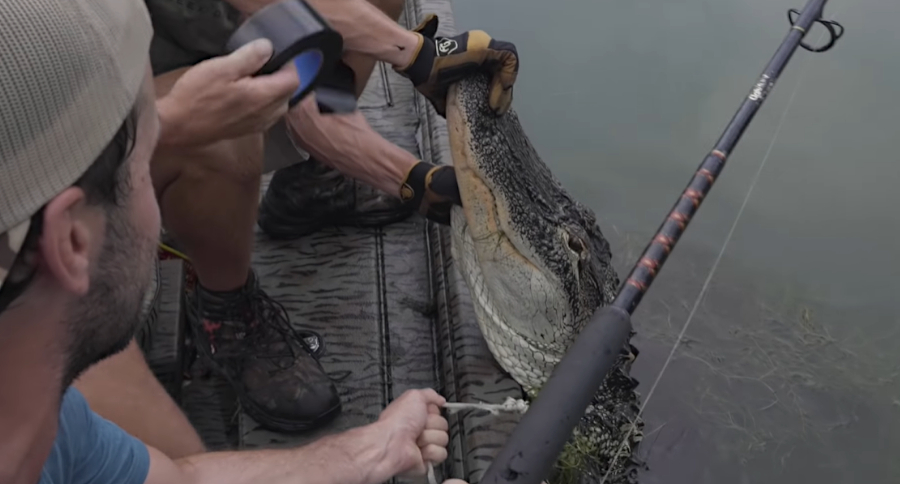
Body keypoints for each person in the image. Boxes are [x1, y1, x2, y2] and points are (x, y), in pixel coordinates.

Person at [0, 1, 464, 484]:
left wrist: (368, 454)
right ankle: (225, 310)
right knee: (221, 139)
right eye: (143, 167)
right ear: (73, 242)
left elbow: (183, 481)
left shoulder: (54, 427)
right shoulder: (41, 428)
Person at [73, 0, 520, 444]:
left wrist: (419, 53)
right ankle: (225, 310)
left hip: (155, 51)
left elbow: (286, 28)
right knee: (225, 127)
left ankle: (317, 184)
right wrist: (407, 177)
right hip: (76, 143)